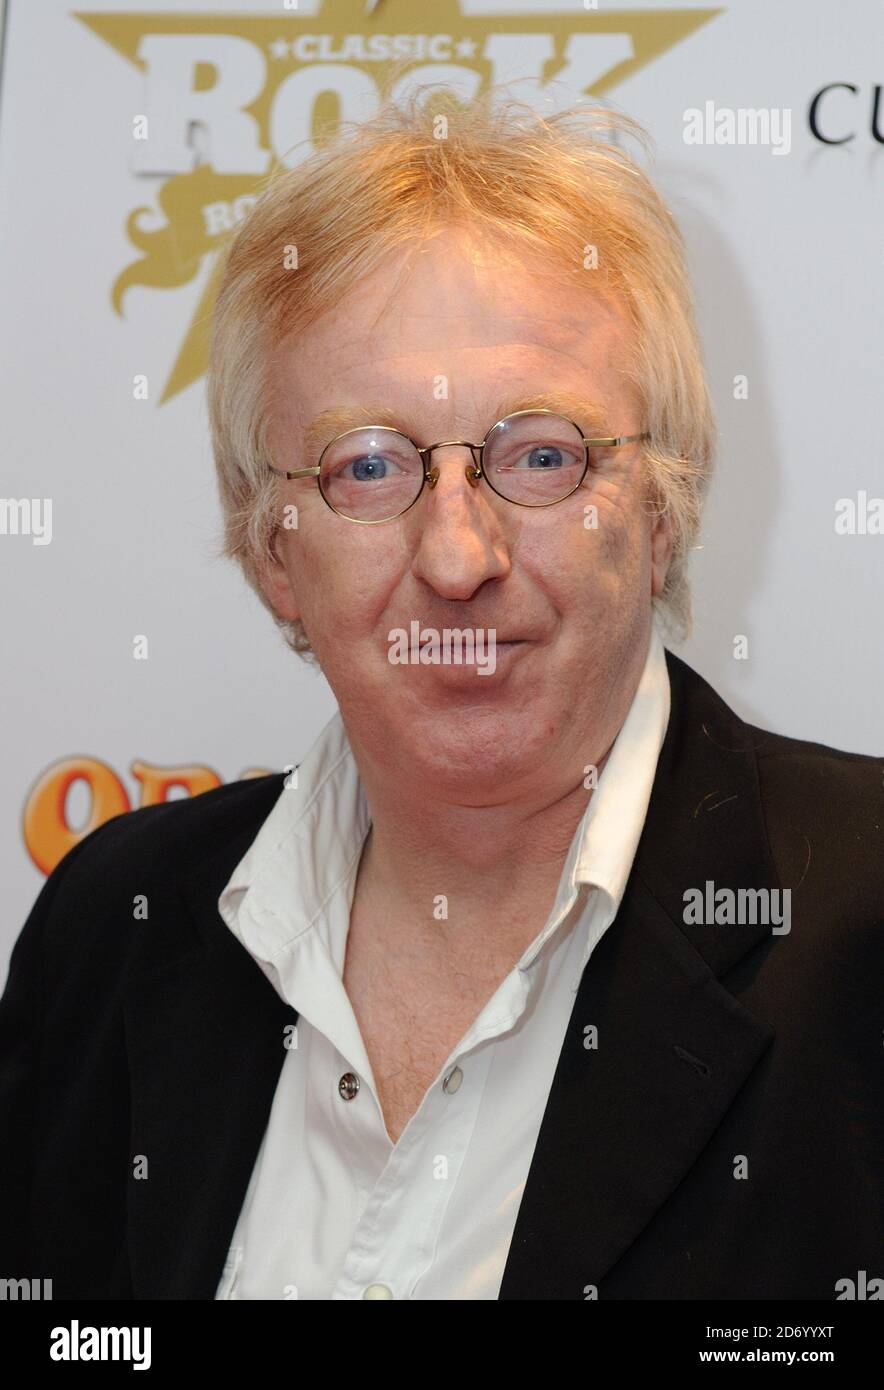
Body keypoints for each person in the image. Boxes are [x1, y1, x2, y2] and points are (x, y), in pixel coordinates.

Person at [1, 90, 881, 1302]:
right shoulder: (112, 927)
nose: (458, 556)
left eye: (539, 455)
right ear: (271, 547)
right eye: (368, 464)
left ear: (663, 509)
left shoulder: (861, 927)